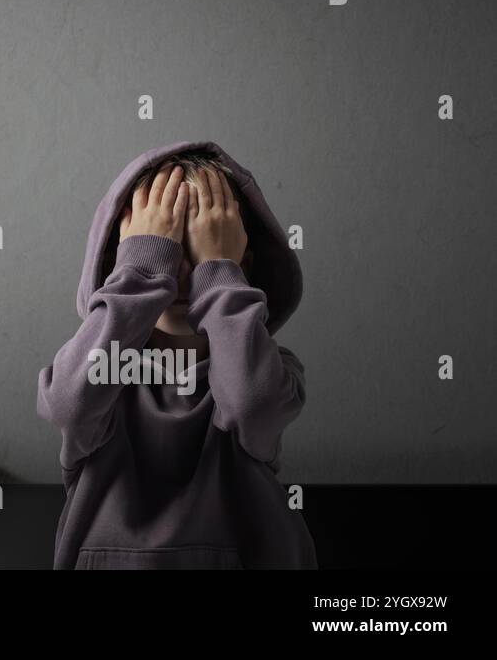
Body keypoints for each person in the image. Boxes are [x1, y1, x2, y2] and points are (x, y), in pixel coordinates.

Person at [36, 141, 317, 568]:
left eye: (201, 248)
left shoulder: (270, 369)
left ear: (242, 268)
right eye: (164, 248)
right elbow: (68, 404)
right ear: (123, 262)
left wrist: (219, 275)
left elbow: (251, 403)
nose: (182, 273)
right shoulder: (104, 374)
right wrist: (143, 272)